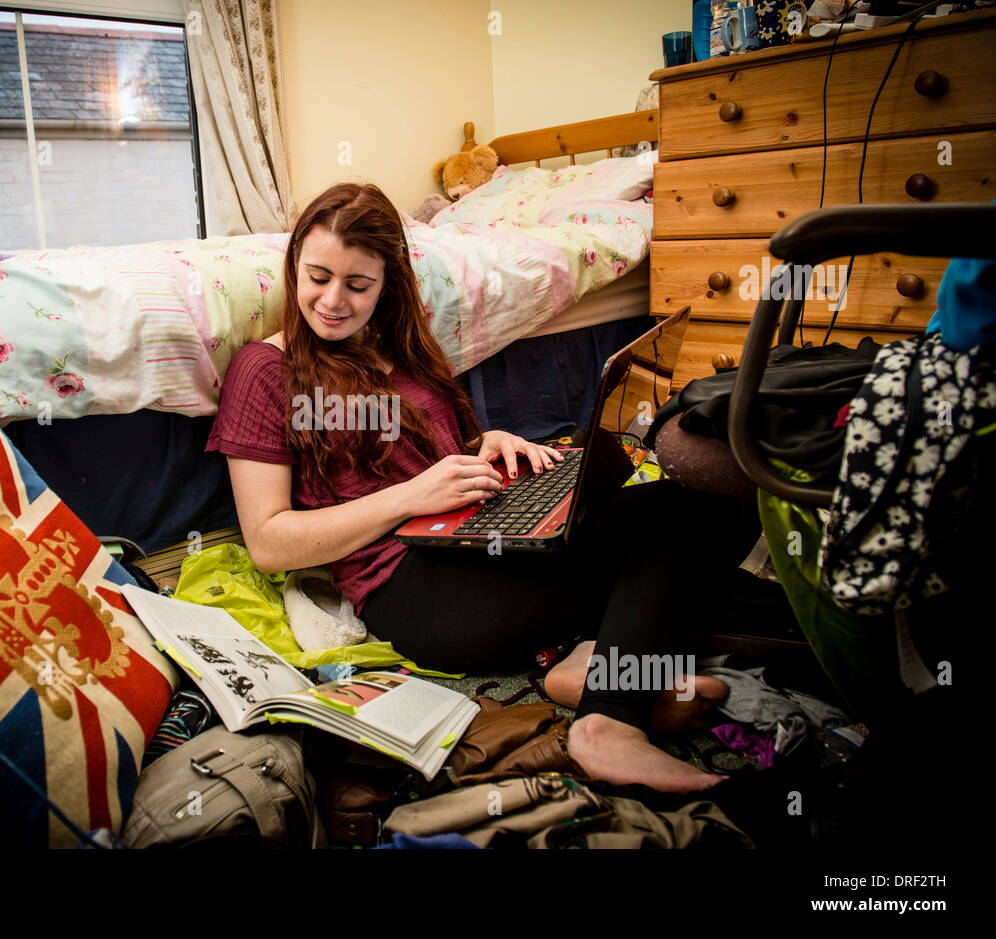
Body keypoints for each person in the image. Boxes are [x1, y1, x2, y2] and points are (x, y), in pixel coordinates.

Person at [206, 182, 763, 792]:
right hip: (412, 585)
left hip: (478, 528)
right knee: (667, 543)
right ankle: (611, 723)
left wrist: (488, 444)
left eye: (358, 285)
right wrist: (412, 496)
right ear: (293, 268)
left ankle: (590, 660)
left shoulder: (407, 349)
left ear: (388, 284)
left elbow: (443, 457)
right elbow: (269, 541)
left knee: (715, 497)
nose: (332, 300)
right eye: (316, 276)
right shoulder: (264, 372)